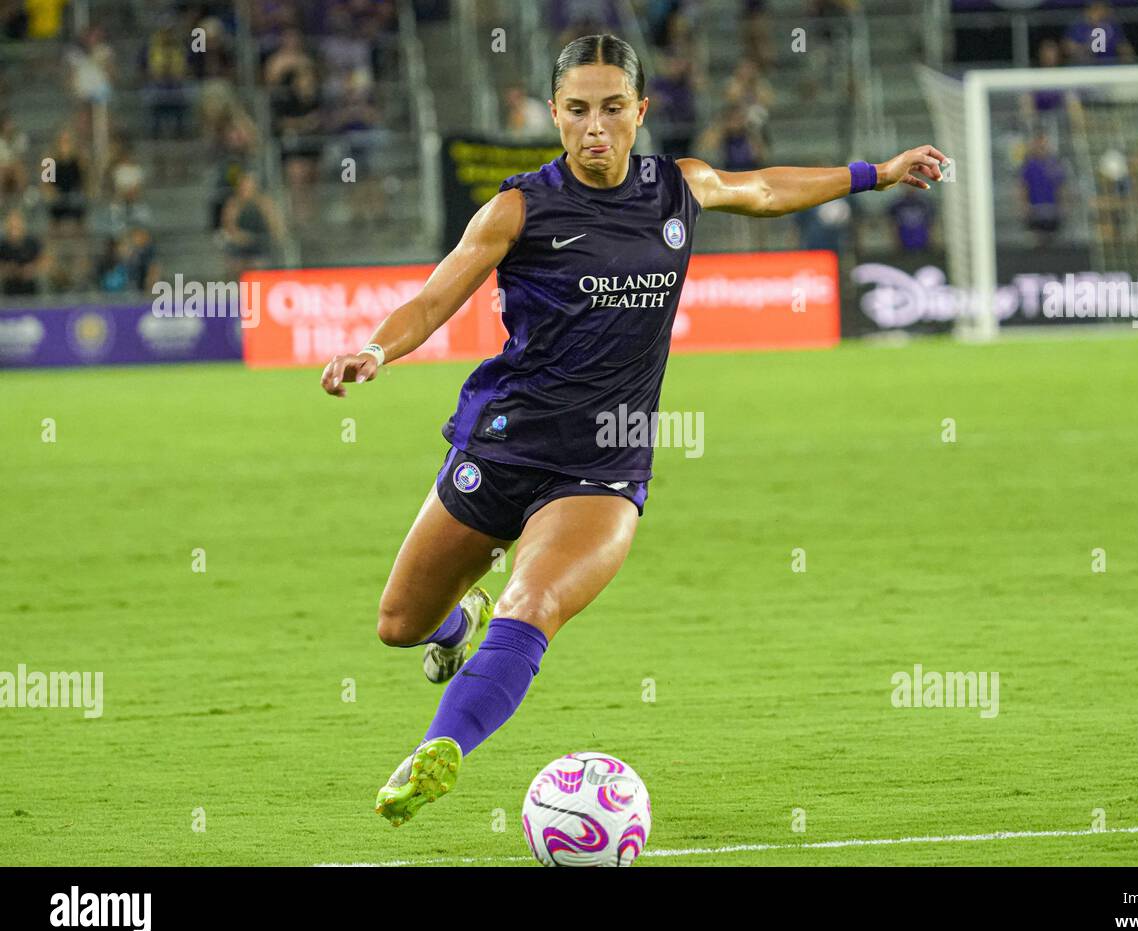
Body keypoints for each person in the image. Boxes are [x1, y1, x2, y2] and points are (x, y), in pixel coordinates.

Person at [317, 33, 948, 828]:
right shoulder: (518, 208)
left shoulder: (675, 189)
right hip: (501, 444)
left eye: (613, 109)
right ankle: (456, 620)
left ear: (641, 112)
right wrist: (376, 348)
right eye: (578, 110)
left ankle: (437, 751)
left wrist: (875, 174)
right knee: (399, 625)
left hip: (603, 465)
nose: (595, 128)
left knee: (534, 600)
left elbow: (763, 190)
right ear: (554, 114)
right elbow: (435, 298)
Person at [1019, 132, 1066, 246]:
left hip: (1051, 207)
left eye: (1044, 144)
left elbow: (1060, 186)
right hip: (1035, 207)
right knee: (1037, 239)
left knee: (1053, 239)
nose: (1042, 147)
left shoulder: (1054, 164)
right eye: (1039, 144)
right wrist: (1023, 205)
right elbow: (1023, 186)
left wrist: (1063, 204)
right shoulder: (1029, 165)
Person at [0, 209, 45, 295]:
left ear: (22, 225)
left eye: (17, 225)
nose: (14, 229)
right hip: (8, 288)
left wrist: (32, 268)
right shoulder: (2, 245)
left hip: (31, 286)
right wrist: (7, 269)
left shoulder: (32, 243)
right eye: (11, 226)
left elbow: (45, 260)